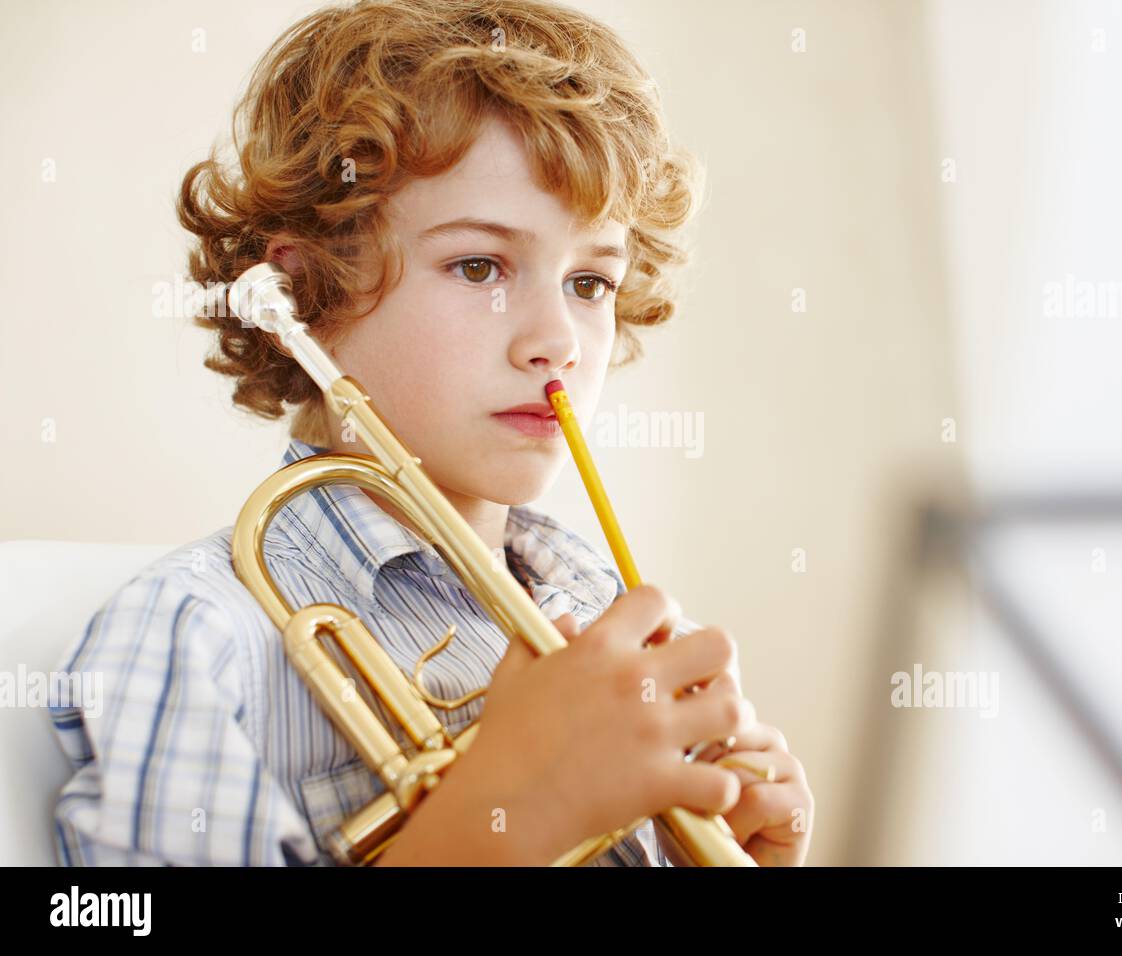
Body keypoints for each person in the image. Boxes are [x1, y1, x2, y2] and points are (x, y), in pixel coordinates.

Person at [49, 0, 813, 867]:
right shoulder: (200, 633)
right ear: (306, 296)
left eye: (592, 282)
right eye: (480, 266)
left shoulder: (597, 608)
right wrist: (515, 808)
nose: (557, 341)